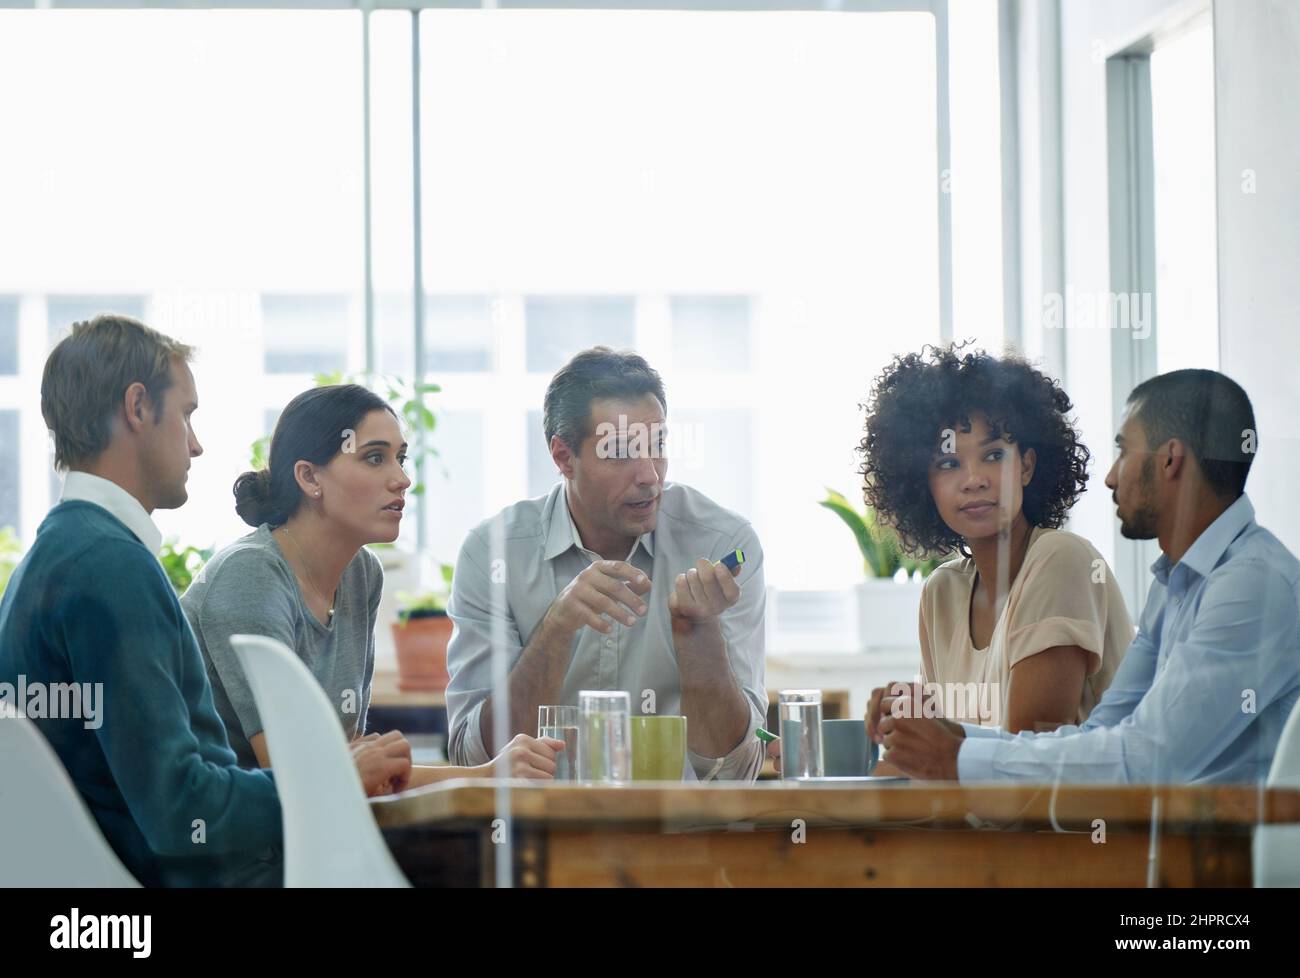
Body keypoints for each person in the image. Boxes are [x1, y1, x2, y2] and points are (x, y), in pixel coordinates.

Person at [0, 315, 409, 886]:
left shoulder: (64, 551)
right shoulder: (109, 567)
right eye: (187, 415)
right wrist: (334, 775)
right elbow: (182, 810)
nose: (197, 443)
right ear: (138, 408)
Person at [868, 369, 1300, 784]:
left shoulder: (1250, 586)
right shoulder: (1178, 584)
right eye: (948, 463)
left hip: (1232, 857)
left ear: (1171, 460)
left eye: (1124, 451)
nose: (1111, 476)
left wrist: (954, 756)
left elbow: (1147, 760)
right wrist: (942, 738)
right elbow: (1101, 737)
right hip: (1168, 849)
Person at [182, 383, 560, 785]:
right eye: (374, 458)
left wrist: (488, 777)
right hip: (225, 836)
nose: (401, 479)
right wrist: (486, 777)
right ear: (309, 477)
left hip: (305, 831)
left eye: (401, 458)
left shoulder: (361, 574)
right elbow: (297, 774)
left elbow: (357, 775)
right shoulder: (251, 573)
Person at [445, 347, 767, 781]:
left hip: (684, 837)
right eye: (620, 453)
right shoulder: (493, 553)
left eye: (657, 446)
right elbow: (475, 760)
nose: (649, 474)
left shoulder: (721, 542)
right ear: (563, 457)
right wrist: (555, 628)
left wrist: (699, 635)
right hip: (543, 838)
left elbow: (736, 770)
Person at [859, 346, 1132, 735]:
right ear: (925, 484)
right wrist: (901, 723)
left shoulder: (1062, 560)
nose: (974, 479)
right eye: (949, 463)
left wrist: (927, 731)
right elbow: (945, 763)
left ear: (1026, 466)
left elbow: (1026, 755)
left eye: (993, 456)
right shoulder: (942, 593)